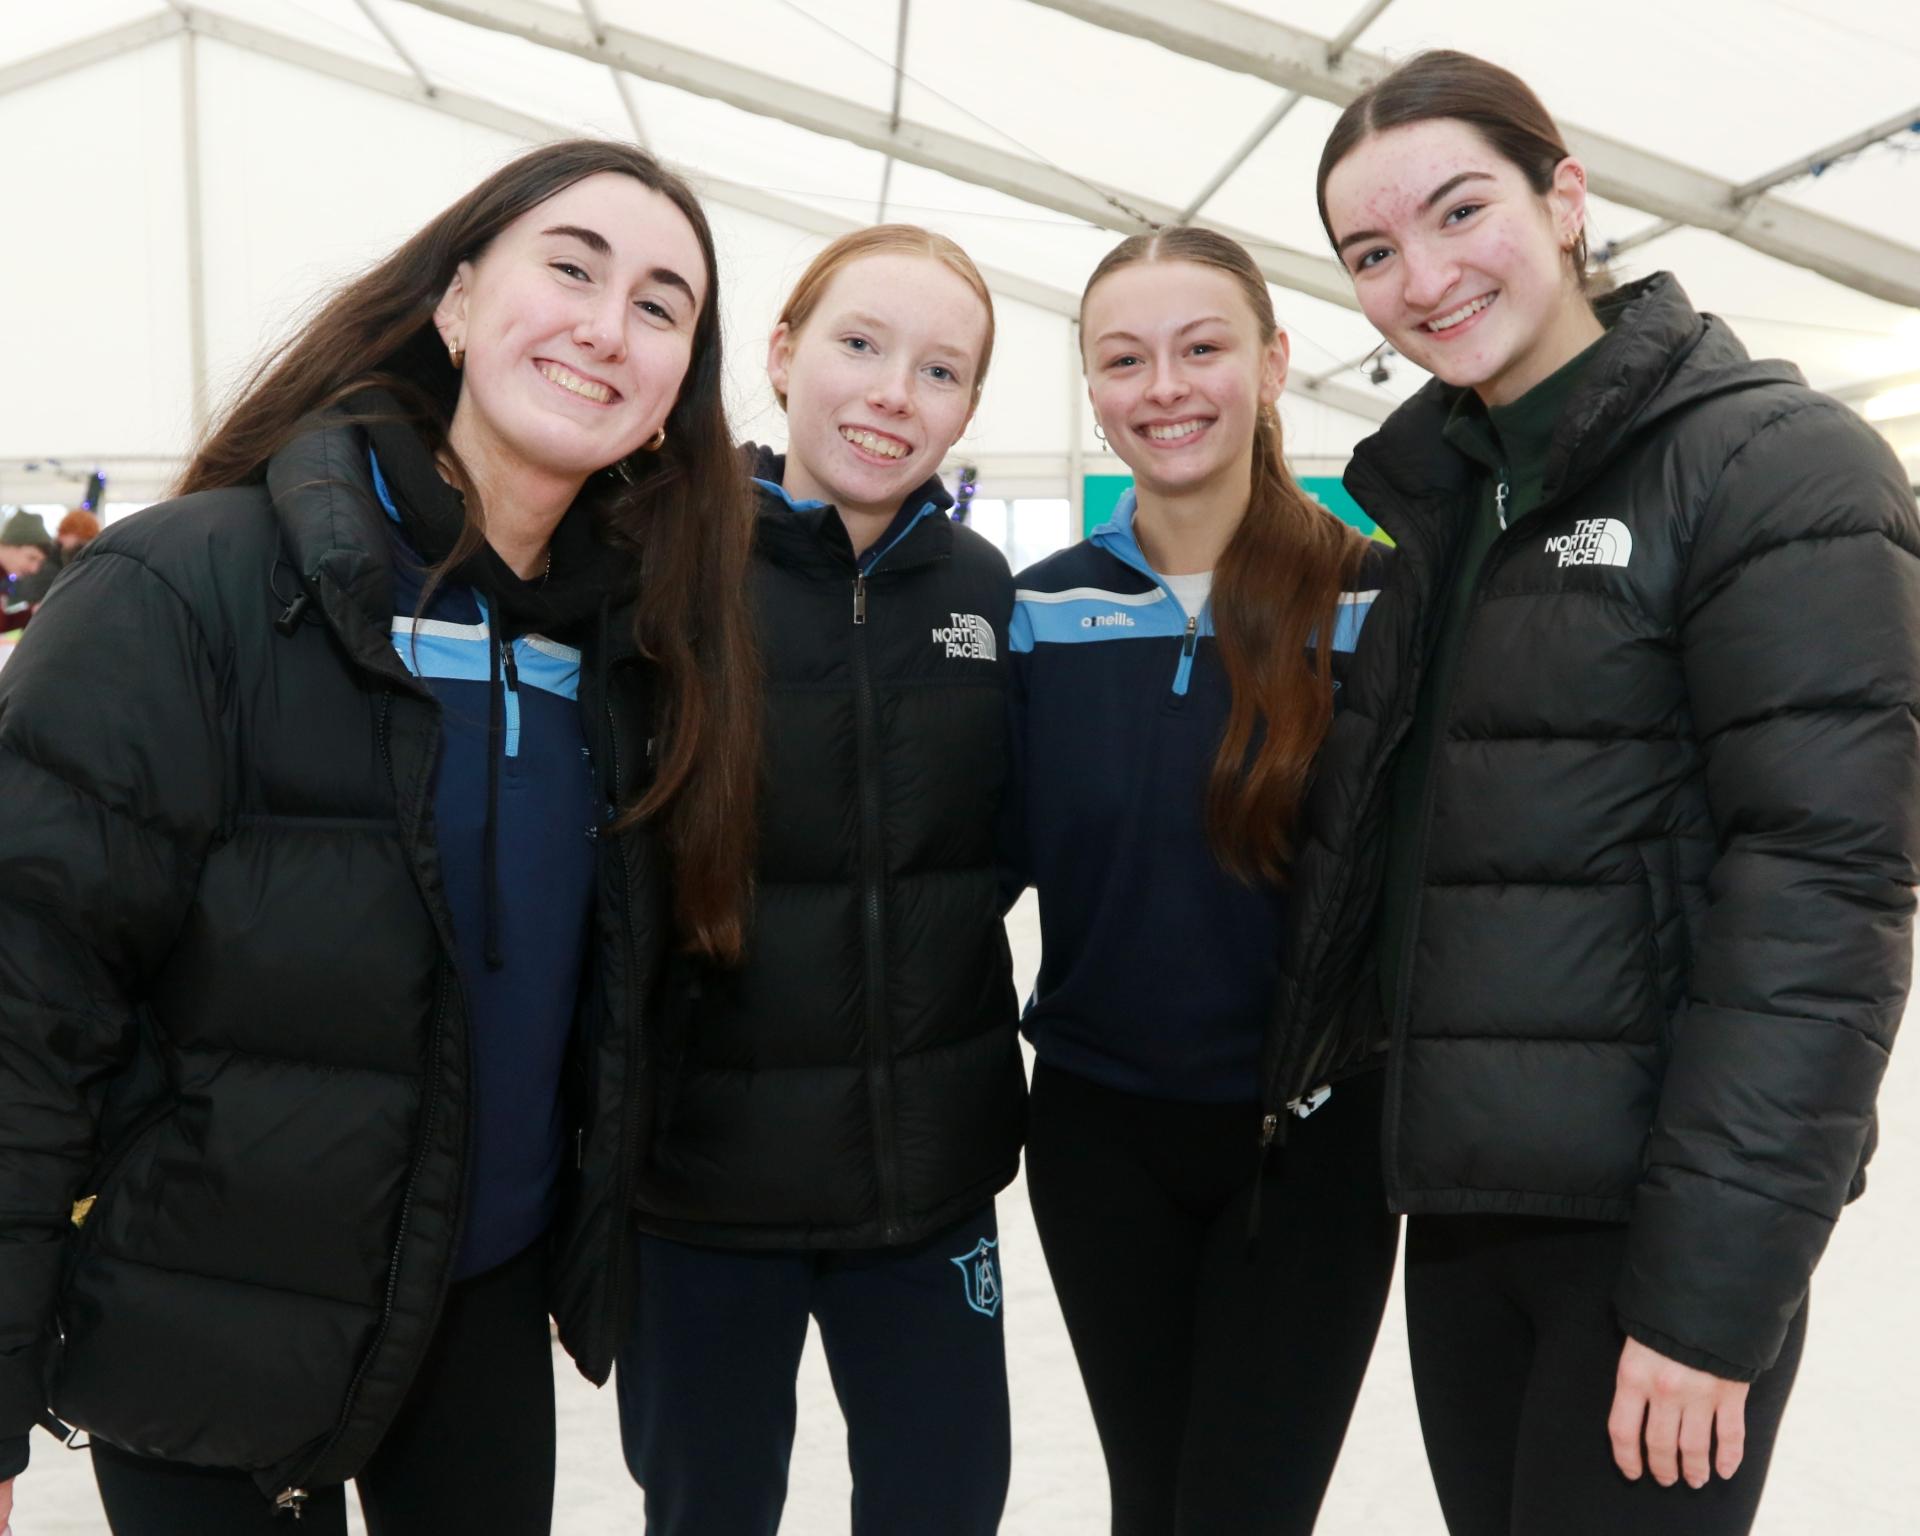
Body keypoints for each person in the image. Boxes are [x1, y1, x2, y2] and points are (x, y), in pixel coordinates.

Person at [0, 138, 759, 1535]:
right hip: (213, 1319)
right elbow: (26, 995)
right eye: (573, 268)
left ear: (672, 400)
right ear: (457, 306)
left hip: (474, 1315)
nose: (608, 323)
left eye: (661, 306)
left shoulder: (633, 653)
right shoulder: (187, 587)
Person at [1298, 48, 1920, 1536]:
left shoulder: (1776, 469)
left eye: (1461, 212)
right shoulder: (1445, 502)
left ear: (1565, 198)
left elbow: (1824, 903)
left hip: (1646, 1235)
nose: (1424, 277)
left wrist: (1709, 1304)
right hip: (1463, 1216)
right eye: (1373, 253)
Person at [615, 224, 1023, 1536]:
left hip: (928, 1182)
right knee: (708, 1508)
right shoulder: (659, 564)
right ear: (783, 357)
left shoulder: (977, 587)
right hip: (703, 1187)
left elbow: (1000, 846)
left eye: (942, 370)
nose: (895, 394)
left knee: (945, 1503)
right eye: (860, 345)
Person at [1004, 226, 1398, 1536]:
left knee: (1242, 1512)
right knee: (1149, 1497)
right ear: (1093, 386)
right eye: (1125, 358)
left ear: (1275, 363)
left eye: (1203, 347)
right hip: (1096, 1131)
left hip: (1310, 1144)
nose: (1163, 385)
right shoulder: (1039, 612)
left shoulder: (1370, 602)